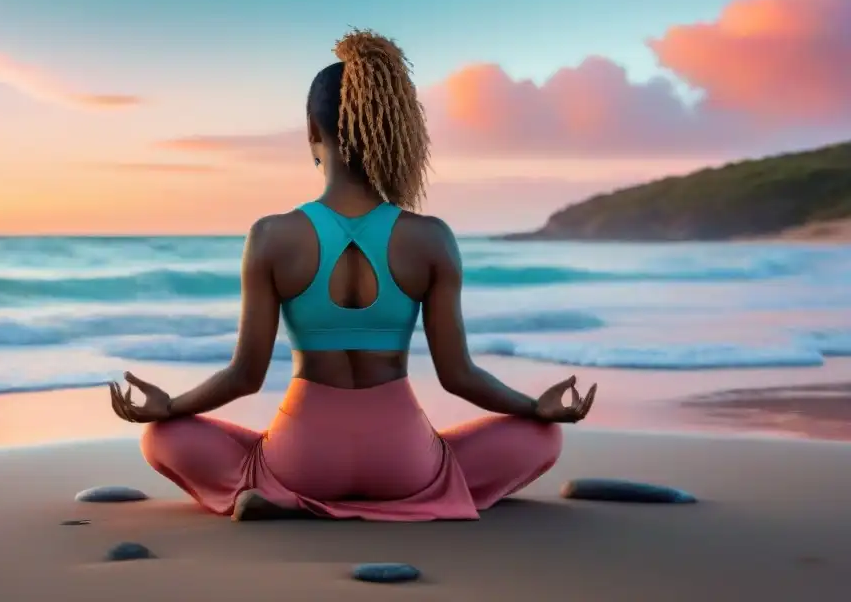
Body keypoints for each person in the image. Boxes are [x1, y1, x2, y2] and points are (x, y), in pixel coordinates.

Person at [108, 29, 597, 521]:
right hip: (403, 459)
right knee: (542, 437)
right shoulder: (431, 238)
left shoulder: (271, 236)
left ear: (311, 131)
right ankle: (414, 497)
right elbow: (459, 376)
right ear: (394, 130)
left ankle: (280, 494)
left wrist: (171, 406)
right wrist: (535, 408)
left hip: (302, 458)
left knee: (162, 437)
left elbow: (245, 376)